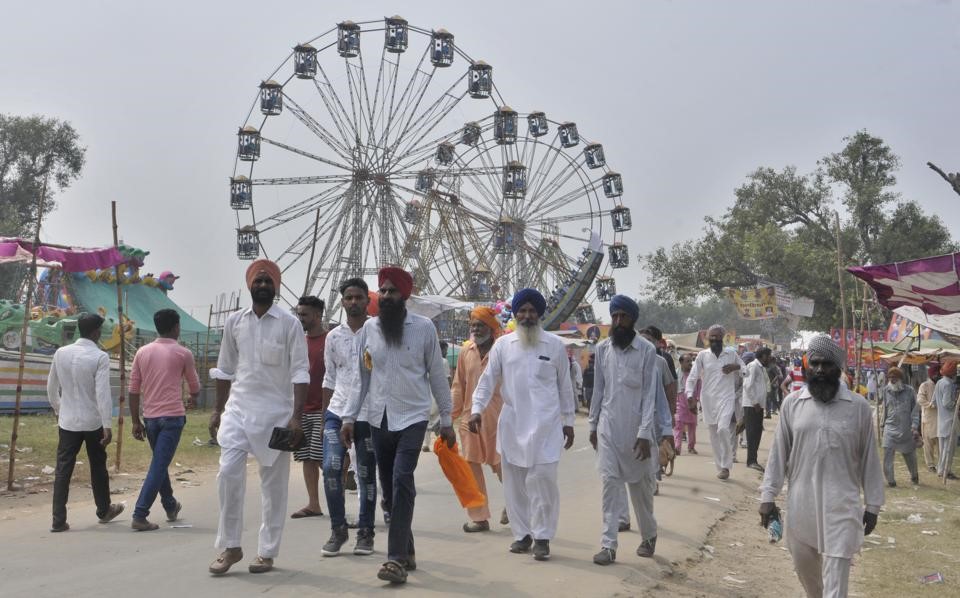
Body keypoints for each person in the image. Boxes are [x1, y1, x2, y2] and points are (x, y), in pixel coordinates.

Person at [340, 267, 456, 584]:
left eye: (393, 291)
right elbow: (360, 378)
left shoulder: (423, 329)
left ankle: (395, 560)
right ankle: (408, 548)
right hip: (379, 418)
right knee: (389, 493)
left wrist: (446, 419)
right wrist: (349, 417)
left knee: (402, 478)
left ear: (405, 295)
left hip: (413, 417)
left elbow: (437, 376)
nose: (387, 296)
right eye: (384, 291)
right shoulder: (369, 330)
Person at [759, 335, 884, 598]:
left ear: (838, 369)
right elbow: (778, 454)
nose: (819, 370)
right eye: (814, 363)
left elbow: (870, 459)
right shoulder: (793, 404)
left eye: (826, 364)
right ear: (807, 366)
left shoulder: (858, 408)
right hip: (801, 503)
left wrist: (872, 506)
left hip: (842, 505)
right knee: (808, 575)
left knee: (836, 582)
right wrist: (767, 496)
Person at [208, 259, 310, 575]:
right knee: (228, 472)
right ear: (250, 285)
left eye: (269, 281)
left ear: (276, 287)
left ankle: (266, 552)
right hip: (238, 410)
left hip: (276, 416)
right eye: (258, 281)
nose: (263, 285)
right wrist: (217, 409)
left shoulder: (290, 324)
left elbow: (300, 372)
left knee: (274, 486)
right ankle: (231, 546)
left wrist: (296, 417)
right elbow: (224, 369)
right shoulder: (234, 322)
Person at [470, 288, 576, 562]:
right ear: (515, 314)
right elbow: (487, 381)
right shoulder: (503, 346)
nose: (527, 315)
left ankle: (542, 537)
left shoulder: (554, 345)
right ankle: (522, 535)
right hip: (513, 424)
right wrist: (477, 410)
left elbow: (565, 386)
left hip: (547, 426)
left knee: (543, 481)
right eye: (522, 311)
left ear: (539, 314)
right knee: (515, 485)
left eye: (532, 311)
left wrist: (568, 421)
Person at [589, 295, 661, 566]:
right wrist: (594, 424)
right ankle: (608, 545)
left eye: (623, 317)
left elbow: (648, 396)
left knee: (640, 492)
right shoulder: (602, 349)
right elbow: (598, 390)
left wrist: (645, 433)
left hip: (636, 434)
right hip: (608, 428)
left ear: (633, 320)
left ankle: (649, 534)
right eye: (614, 316)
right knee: (609, 484)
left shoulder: (646, 350)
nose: (617, 321)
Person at [46, 313, 125, 532]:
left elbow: (51, 388)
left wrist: (59, 410)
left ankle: (58, 519)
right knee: (98, 466)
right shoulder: (100, 356)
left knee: (63, 470)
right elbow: (102, 393)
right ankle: (104, 510)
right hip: (93, 422)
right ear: (96, 332)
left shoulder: (60, 353)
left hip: (68, 422)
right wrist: (107, 425)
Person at [128, 308, 201, 531]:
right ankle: (140, 514)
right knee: (159, 465)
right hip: (172, 416)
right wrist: (192, 398)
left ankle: (170, 505)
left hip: (150, 418)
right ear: (176, 327)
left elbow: (133, 389)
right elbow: (195, 386)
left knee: (160, 464)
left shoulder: (142, 352)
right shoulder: (183, 353)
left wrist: (134, 421)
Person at [319, 279, 377, 557]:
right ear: (342, 302)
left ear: (367, 301)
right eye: (348, 298)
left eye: (358, 297)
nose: (353, 302)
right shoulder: (333, 337)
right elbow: (329, 377)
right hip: (337, 411)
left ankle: (366, 532)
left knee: (366, 474)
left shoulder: (377, 332)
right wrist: (323, 416)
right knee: (331, 468)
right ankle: (338, 528)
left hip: (368, 413)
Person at [451, 306, 507, 532]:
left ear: (492, 328)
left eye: (480, 324)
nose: (475, 329)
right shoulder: (466, 351)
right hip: (469, 420)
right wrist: (449, 417)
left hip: (499, 419)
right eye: (472, 325)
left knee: (504, 467)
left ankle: (516, 505)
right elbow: (458, 386)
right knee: (471, 468)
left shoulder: (503, 351)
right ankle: (479, 517)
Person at [685, 324, 743, 480]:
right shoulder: (702, 356)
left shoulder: (731, 354)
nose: (715, 339)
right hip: (708, 399)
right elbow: (692, 377)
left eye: (718, 336)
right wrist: (690, 396)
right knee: (714, 435)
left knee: (723, 429)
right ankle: (721, 468)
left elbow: (746, 370)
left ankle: (726, 465)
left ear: (723, 338)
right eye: (712, 336)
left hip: (726, 397)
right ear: (707, 338)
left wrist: (735, 366)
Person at [290, 296, 328, 520]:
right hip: (302, 409)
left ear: (317, 315)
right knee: (307, 457)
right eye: (298, 314)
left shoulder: (330, 340)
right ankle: (314, 504)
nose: (300, 318)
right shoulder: (298, 343)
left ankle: (338, 494)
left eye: (304, 314)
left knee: (324, 458)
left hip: (324, 408)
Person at [879, 366, 920, 487]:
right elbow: (884, 410)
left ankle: (914, 476)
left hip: (906, 429)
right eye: (890, 377)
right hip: (889, 428)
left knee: (910, 455)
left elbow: (915, 410)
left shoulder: (909, 391)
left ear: (900, 378)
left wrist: (914, 426)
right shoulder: (886, 390)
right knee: (887, 454)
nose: (892, 379)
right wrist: (882, 426)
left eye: (894, 377)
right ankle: (890, 481)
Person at [742, 347, 772, 472]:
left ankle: (753, 459)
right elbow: (747, 385)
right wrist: (755, 402)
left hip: (758, 406)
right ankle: (751, 461)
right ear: (763, 356)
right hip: (752, 405)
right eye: (768, 356)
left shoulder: (761, 367)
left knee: (757, 432)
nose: (770, 358)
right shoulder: (753, 366)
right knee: (752, 433)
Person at [934, 361, 958, 479]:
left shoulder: (939, 382)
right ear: (952, 373)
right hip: (949, 421)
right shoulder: (948, 384)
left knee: (943, 448)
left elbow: (934, 401)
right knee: (948, 449)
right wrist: (956, 402)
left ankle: (941, 470)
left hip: (942, 420)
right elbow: (947, 403)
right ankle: (945, 471)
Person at [916, 364, 940, 472]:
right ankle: (930, 465)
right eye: (936, 374)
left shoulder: (940, 384)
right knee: (928, 443)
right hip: (928, 418)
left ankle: (941, 465)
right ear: (932, 374)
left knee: (940, 444)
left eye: (939, 374)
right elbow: (920, 400)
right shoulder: (924, 385)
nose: (938, 376)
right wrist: (930, 405)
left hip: (940, 419)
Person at [674, 353, 700, 455]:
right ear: (681, 362)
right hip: (680, 403)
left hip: (692, 403)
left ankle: (691, 447)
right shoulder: (676, 373)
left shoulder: (695, 375)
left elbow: (699, 388)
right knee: (678, 426)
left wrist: (696, 400)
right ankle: (677, 447)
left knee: (692, 426)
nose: (690, 363)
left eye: (691, 361)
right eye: (687, 361)